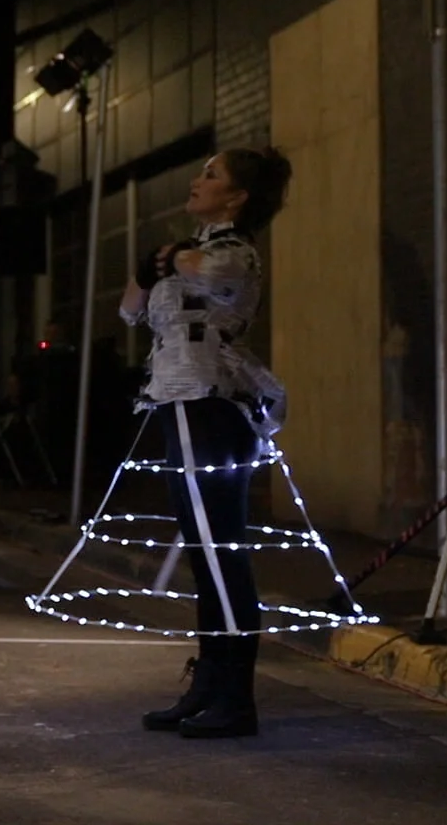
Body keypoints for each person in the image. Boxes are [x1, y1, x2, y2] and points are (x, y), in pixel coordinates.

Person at [123, 148, 292, 739]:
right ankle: (208, 681)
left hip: (213, 403)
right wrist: (150, 269)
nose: (197, 181)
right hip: (175, 400)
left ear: (237, 197)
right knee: (202, 549)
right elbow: (129, 311)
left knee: (222, 551)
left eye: (211, 175)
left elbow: (213, 276)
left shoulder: (234, 251)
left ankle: (236, 696)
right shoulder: (188, 252)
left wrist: (170, 257)